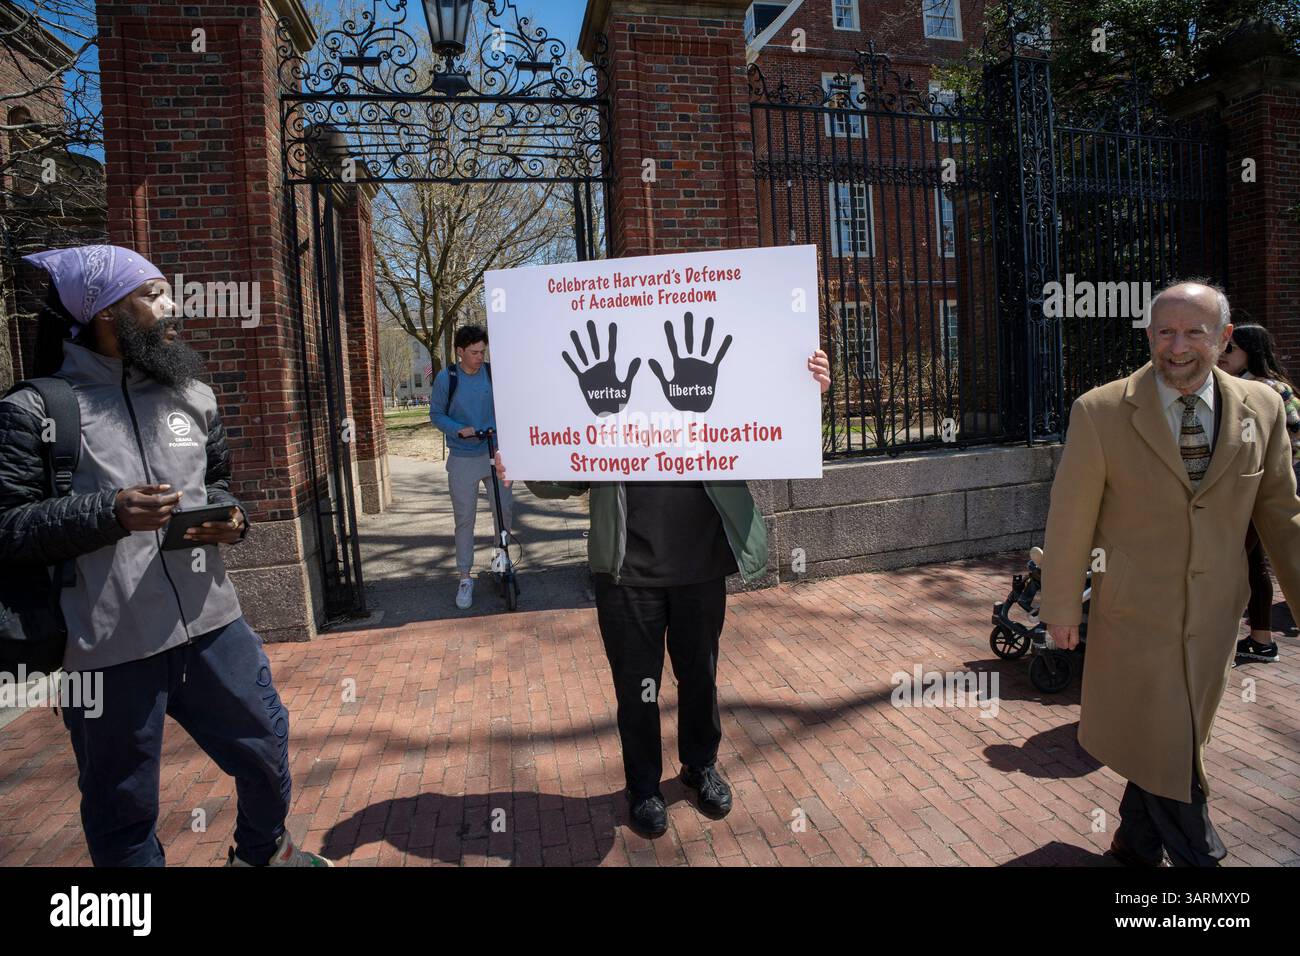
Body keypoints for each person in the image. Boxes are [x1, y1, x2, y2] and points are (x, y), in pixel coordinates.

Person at [0, 245, 330, 867]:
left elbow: (221, 483)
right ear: (105, 312)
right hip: (107, 648)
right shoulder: (34, 412)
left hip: (213, 628)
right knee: (122, 810)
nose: (172, 306)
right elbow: (8, 526)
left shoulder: (193, 395)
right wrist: (108, 513)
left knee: (266, 747)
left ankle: (263, 854)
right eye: (151, 295)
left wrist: (232, 518)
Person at [494, 349, 831, 837]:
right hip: (627, 571)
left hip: (701, 565)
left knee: (700, 676)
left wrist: (808, 393)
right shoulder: (608, 398)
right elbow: (565, 472)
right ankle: (645, 787)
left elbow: (776, 429)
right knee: (638, 689)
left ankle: (699, 767)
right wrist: (525, 461)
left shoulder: (709, 389)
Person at [1040, 280, 1300, 867]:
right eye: (1164, 332)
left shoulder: (1262, 408)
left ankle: (1133, 845)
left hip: (1213, 619)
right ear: (1149, 334)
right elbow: (1071, 517)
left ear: (1224, 337)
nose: (1177, 347)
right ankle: (1201, 865)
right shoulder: (1101, 410)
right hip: (1132, 615)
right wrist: (1059, 606)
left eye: (1193, 332)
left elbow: (1282, 514)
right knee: (1175, 751)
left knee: (1171, 737)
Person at [1216, 320, 1300, 663]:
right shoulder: (1234, 385)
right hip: (1245, 493)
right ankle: (1261, 641)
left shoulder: (1269, 390)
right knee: (1250, 562)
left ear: (1250, 352)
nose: (1222, 354)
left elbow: (1290, 438)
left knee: (1226, 562)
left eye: (1230, 349)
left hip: (1262, 492)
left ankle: (1219, 641)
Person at [429, 324, 511, 610]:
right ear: (460, 351)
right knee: (465, 519)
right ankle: (465, 576)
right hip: (463, 457)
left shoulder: (492, 373)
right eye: (474, 352)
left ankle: (501, 560)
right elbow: (436, 414)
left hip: (495, 452)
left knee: (504, 511)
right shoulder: (447, 378)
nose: (479, 356)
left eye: (482, 352)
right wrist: (457, 429)